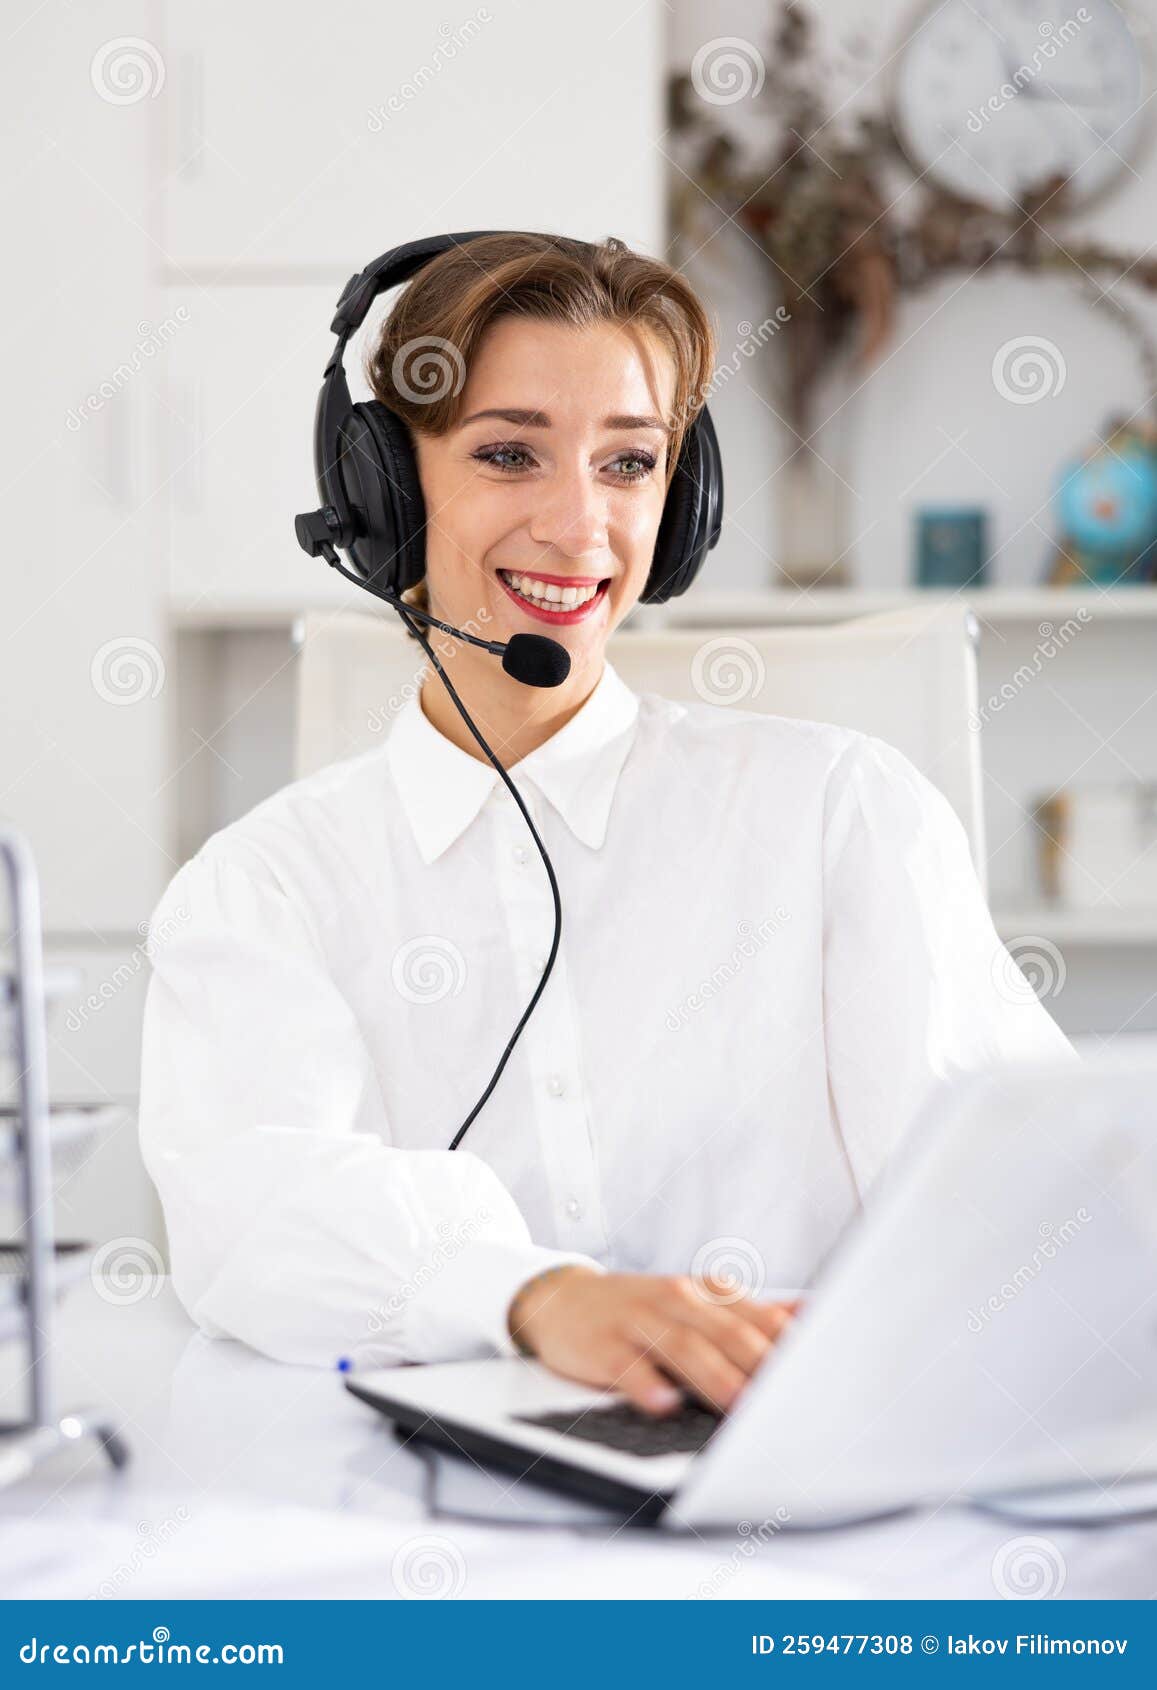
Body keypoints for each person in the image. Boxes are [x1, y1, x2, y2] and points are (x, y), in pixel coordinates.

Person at [138, 231, 1073, 1420]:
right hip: (421, 1526)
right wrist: (534, 1296)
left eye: (628, 464)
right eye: (508, 453)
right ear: (381, 488)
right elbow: (249, 1207)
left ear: (679, 505)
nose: (579, 528)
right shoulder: (263, 887)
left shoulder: (846, 813)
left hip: (817, 1482)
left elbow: (1021, 1198)